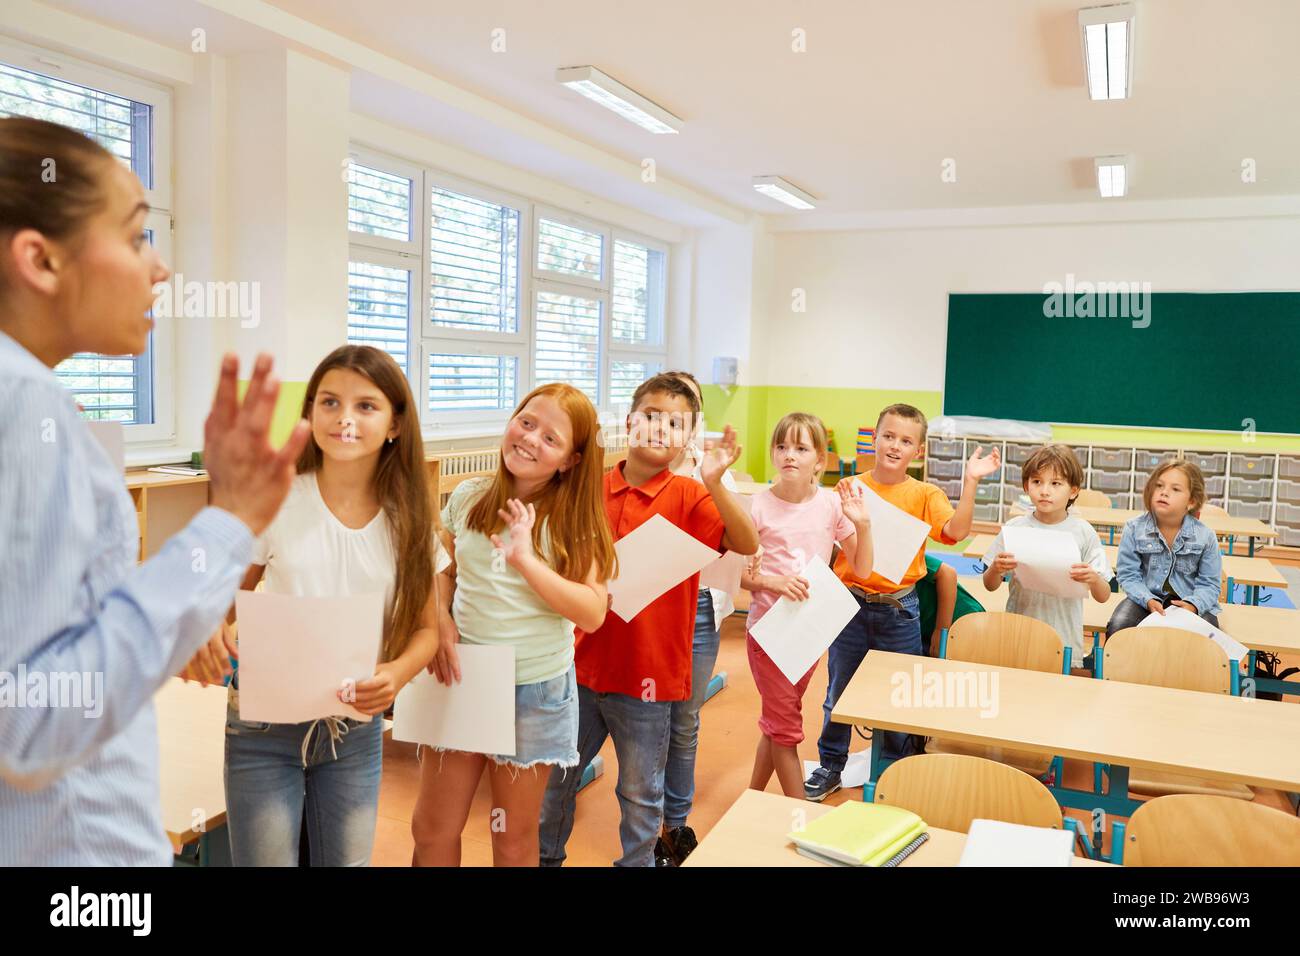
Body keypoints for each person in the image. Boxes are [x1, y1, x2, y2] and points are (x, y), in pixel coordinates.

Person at [0, 116, 308, 864]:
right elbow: (31, 718)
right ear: (40, 260)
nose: (162, 269)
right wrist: (228, 521)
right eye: (138, 236)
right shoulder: (24, 407)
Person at [193, 345, 445, 866]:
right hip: (261, 729)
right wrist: (215, 625)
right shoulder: (278, 498)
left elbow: (428, 631)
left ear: (395, 423)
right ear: (309, 413)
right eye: (329, 402)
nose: (344, 418)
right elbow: (223, 597)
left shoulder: (412, 521)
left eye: (366, 406)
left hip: (354, 729)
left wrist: (396, 674)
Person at [410, 383, 616, 867]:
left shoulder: (575, 520)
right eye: (526, 422)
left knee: (513, 838)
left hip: (534, 691)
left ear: (570, 460)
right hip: (463, 675)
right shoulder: (470, 496)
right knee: (431, 828)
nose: (530, 439)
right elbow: (443, 567)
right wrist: (439, 617)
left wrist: (525, 560)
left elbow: (592, 611)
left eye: (551, 438)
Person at [805, 404, 1000, 801]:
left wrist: (971, 481)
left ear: (919, 451)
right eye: (889, 436)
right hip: (850, 607)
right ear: (874, 439)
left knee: (900, 693)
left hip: (899, 610)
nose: (895, 445)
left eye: (906, 441)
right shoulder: (850, 487)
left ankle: (895, 764)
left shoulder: (924, 493)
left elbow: (956, 532)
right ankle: (831, 765)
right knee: (839, 691)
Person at [740, 412, 872, 798]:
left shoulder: (831, 506)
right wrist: (772, 581)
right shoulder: (756, 507)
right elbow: (741, 578)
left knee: (777, 723)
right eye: (781, 446)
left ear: (820, 460)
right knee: (787, 732)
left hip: (809, 632)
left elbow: (862, 568)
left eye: (801, 448)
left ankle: (753, 798)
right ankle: (801, 814)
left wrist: (862, 526)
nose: (789, 456)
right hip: (768, 633)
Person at [982, 444, 1111, 663]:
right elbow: (989, 584)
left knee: (1057, 694)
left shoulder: (1083, 532)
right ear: (1026, 486)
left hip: (1064, 638)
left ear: (1073, 490)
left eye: (1055, 483)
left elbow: (1104, 595)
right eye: (1036, 482)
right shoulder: (1015, 527)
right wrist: (995, 569)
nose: (1044, 490)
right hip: (1019, 632)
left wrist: (1093, 579)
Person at [1107, 459, 1223, 636]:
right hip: (1145, 600)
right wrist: (1147, 599)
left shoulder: (1206, 536)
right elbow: (1128, 575)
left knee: (1208, 637)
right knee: (1119, 627)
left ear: (1191, 501)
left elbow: (1209, 584)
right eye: (1159, 486)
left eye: (1175, 489)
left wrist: (1193, 605)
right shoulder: (1133, 528)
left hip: (1191, 603)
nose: (1164, 492)